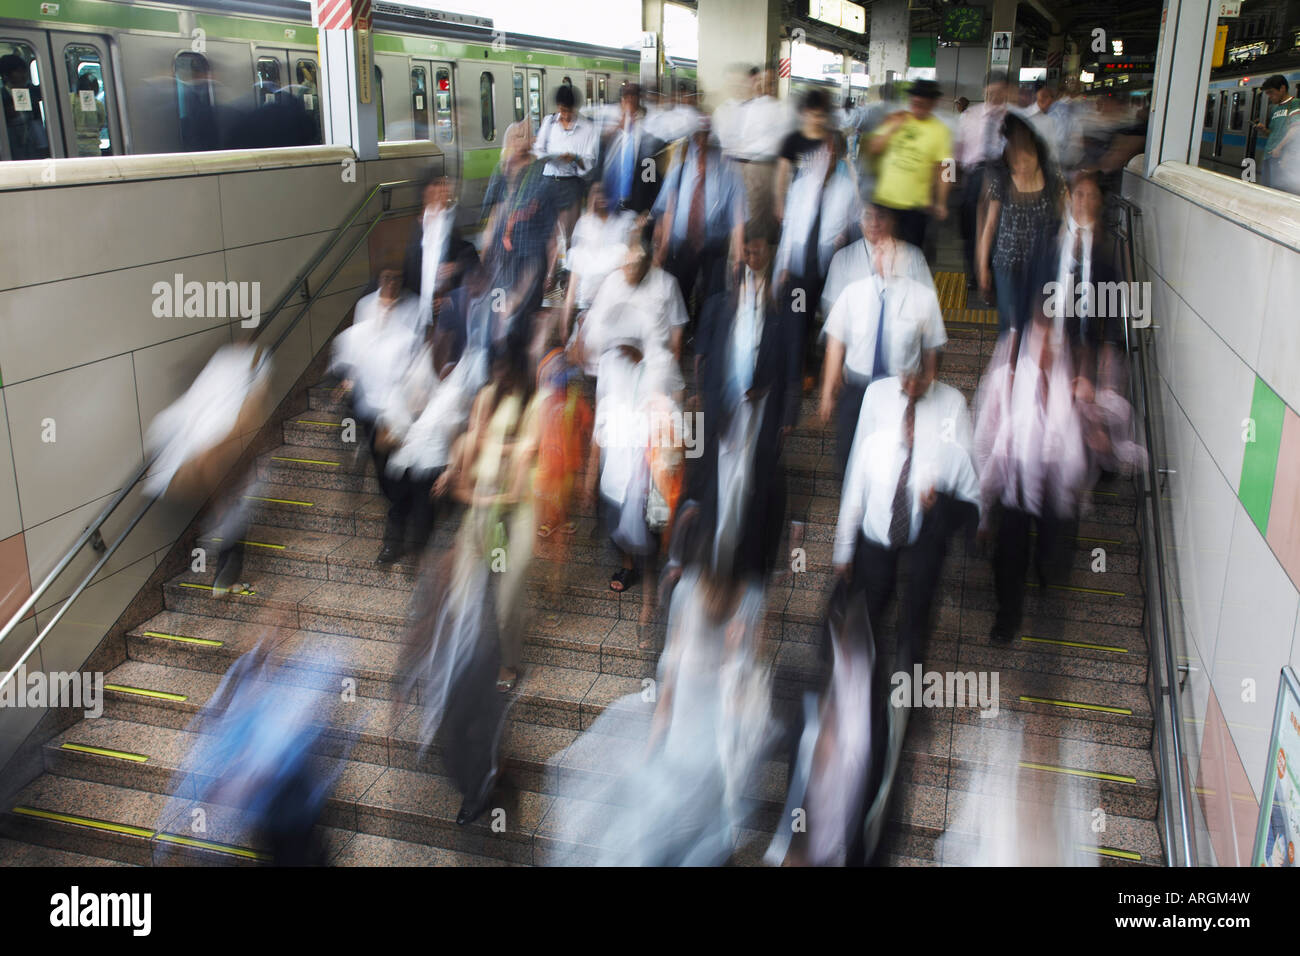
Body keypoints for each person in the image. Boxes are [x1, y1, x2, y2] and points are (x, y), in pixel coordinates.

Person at [693, 216, 801, 581]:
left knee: (750, 487)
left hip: (761, 410)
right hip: (725, 408)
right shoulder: (723, 300)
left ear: (770, 250)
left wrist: (787, 412)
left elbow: (792, 358)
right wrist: (706, 406)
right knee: (722, 485)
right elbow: (706, 356)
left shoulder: (785, 299)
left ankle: (746, 563)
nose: (751, 253)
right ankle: (715, 561)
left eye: (758, 247)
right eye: (747, 247)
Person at [819, 234, 947, 479]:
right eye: (880, 252)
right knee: (848, 458)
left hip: (898, 389)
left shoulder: (923, 297)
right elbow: (835, 342)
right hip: (857, 389)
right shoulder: (852, 292)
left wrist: (927, 385)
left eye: (892, 252)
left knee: (891, 460)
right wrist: (827, 391)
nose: (885, 257)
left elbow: (933, 348)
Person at [328, 266, 425, 562]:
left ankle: (394, 538)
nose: (392, 285)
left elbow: (416, 364)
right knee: (385, 475)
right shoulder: (364, 316)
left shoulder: (408, 325)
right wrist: (348, 380)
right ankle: (405, 514)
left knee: (396, 473)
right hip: (370, 410)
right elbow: (352, 358)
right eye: (387, 279)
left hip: (398, 412)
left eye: (397, 279)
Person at [977, 111, 1064, 334]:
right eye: (1013, 149)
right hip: (1006, 263)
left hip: (1042, 265)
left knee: (1037, 325)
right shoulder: (1002, 178)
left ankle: (1029, 366)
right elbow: (990, 226)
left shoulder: (1052, 179)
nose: (1020, 160)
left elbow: (1067, 223)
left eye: (1025, 151)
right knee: (1010, 324)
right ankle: (1010, 366)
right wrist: (982, 266)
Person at [651, 116, 746, 319]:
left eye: (706, 137)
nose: (702, 143)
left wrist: (738, 259)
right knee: (678, 297)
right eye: (697, 138)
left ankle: (701, 344)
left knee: (710, 301)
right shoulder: (680, 168)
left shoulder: (730, 174)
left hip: (713, 248)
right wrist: (662, 249)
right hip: (682, 245)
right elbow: (668, 210)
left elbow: (738, 219)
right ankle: (680, 337)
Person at [480, 120, 558, 336]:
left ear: (531, 141)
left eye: (521, 136)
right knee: (498, 307)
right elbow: (494, 212)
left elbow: (552, 228)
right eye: (514, 136)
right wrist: (486, 250)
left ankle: (520, 351)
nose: (516, 141)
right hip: (501, 255)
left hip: (531, 255)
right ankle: (498, 347)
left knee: (524, 313)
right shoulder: (501, 170)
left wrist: (551, 271)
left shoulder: (542, 171)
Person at [867, 78, 952, 252]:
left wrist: (942, 202)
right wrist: (893, 128)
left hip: (916, 207)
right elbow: (874, 148)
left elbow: (947, 168)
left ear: (932, 103)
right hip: (884, 202)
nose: (917, 105)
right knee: (880, 253)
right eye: (915, 101)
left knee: (911, 257)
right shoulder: (896, 118)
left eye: (923, 102)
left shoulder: (941, 130)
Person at [821, 202, 933, 320]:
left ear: (893, 221)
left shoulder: (914, 256)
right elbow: (832, 311)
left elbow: (927, 307)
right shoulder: (843, 258)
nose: (874, 223)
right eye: (868, 216)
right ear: (860, 223)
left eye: (881, 216)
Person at [403, 169, 477, 332]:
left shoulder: (461, 219)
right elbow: (411, 269)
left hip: (452, 309)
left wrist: (456, 267)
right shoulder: (418, 225)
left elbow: (477, 260)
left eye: (446, 184)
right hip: (421, 311)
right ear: (425, 191)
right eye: (437, 184)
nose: (444, 189)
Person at [954, 71, 1009, 289]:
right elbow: (956, 151)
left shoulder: (1013, 118)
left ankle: (992, 273)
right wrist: (952, 182)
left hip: (1004, 176)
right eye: (991, 90)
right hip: (974, 176)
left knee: (998, 229)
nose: (995, 95)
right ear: (984, 90)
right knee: (969, 230)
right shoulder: (969, 116)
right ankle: (974, 273)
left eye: (1000, 91)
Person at [533, 84, 599, 243]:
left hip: (572, 183)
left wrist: (575, 158)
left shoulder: (588, 128)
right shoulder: (548, 122)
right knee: (548, 233)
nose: (566, 115)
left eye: (569, 111)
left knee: (570, 233)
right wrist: (546, 156)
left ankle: (570, 263)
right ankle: (552, 266)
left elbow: (590, 163)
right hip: (548, 181)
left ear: (575, 108)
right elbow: (538, 150)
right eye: (562, 111)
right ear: (558, 107)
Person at [599, 83, 665, 214]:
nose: (629, 100)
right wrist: (619, 126)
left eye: (632, 96)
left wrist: (648, 205)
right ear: (621, 101)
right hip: (611, 198)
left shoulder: (648, 126)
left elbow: (650, 166)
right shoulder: (612, 125)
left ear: (638, 99)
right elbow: (599, 151)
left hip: (638, 199)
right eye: (625, 97)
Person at [774, 88, 833, 224]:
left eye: (820, 115)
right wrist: (780, 203)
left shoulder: (830, 141)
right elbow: (782, 174)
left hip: (824, 203)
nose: (815, 120)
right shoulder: (792, 140)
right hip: (797, 201)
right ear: (803, 113)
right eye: (812, 114)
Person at [1, 52, 49, 160]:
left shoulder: (33, 92)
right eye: (18, 71)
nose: (23, 75)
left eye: (24, 71)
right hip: (11, 149)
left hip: (36, 148)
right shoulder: (2, 97)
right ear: (6, 75)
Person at [1256, 75, 1300, 191]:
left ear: (1282, 88)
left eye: (1271, 92)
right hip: (1269, 155)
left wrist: (1279, 148)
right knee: (1267, 190)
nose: (1269, 96)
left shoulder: (1295, 104)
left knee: (1279, 191)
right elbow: (1273, 133)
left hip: (1283, 157)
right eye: (1267, 94)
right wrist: (1264, 130)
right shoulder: (1275, 109)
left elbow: (1296, 128)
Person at [69, 73, 108, 156]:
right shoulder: (98, 104)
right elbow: (101, 123)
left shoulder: (70, 99)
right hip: (93, 147)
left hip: (74, 146)